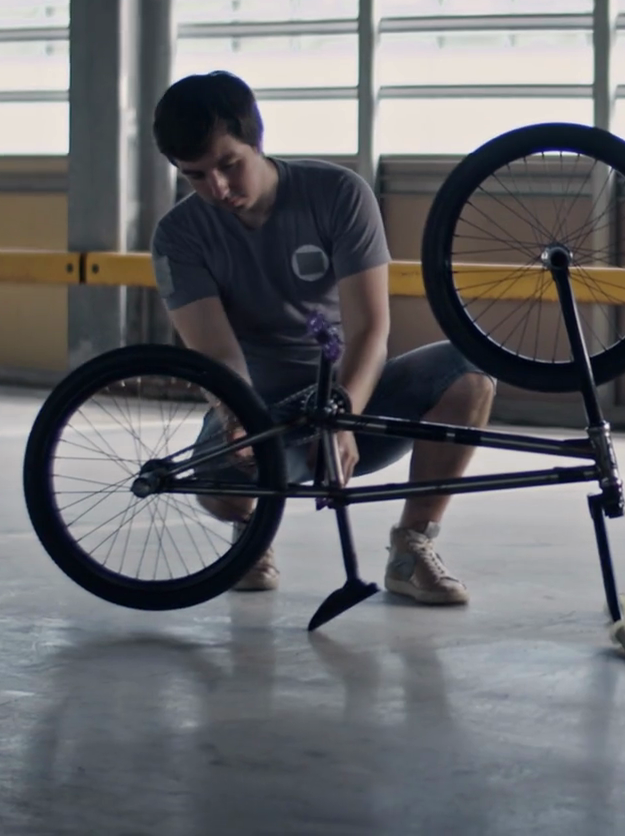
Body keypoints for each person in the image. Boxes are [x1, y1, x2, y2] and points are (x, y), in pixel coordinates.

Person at [148, 70, 496, 603]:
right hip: (264, 414)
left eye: (228, 165)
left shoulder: (337, 194)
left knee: (470, 374)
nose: (216, 188)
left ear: (256, 141)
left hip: (349, 397)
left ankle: (411, 547)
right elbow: (215, 354)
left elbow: (370, 330)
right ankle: (252, 531)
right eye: (195, 175)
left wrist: (342, 416)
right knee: (214, 484)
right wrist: (236, 418)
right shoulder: (178, 236)